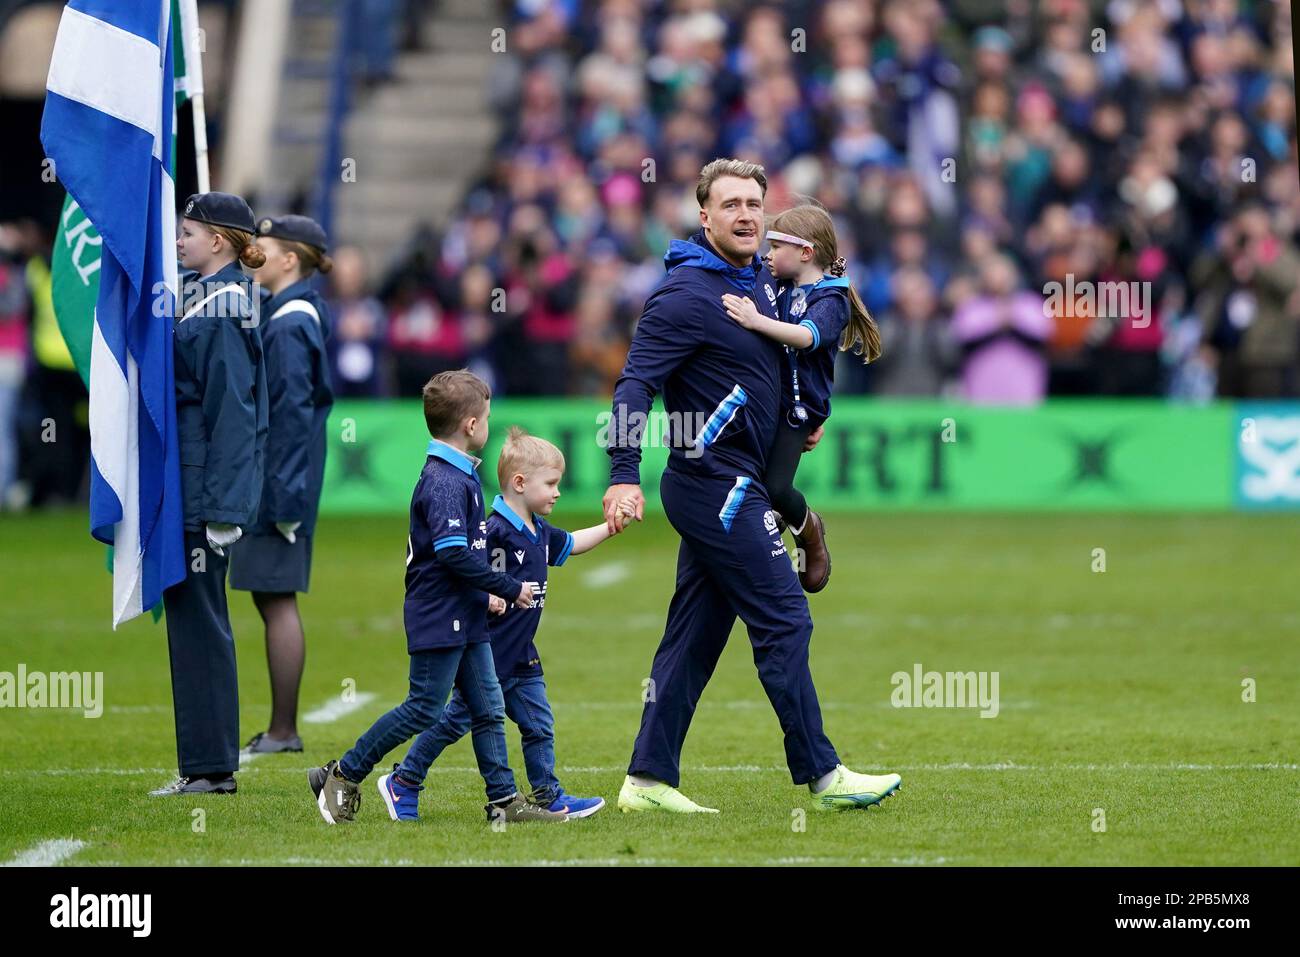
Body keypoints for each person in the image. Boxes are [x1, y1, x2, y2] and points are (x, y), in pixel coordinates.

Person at [603, 158, 902, 814]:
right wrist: (623, 475)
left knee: (693, 637)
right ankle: (823, 775)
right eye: (730, 203)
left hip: (738, 482)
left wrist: (798, 422)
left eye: (753, 204)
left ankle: (646, 780)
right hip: (716, 487)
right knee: (785, 617)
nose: (744, 214)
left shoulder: (758, 283)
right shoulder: (683, 295)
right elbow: (634, 385)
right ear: (703, 215)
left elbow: (783, 360)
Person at [306, 370, 566, 824]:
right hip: (439, 614)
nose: (488, 424)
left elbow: (464, 552)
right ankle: (342, 775)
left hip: (467, 613)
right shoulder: (445, 480)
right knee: (424, 706)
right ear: (470, 425)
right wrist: (504, 587)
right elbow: (450, 554)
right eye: (485, 417)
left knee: (488, 709)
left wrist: (481, 597)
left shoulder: (461, 475)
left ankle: (504, 802)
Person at [379, 427, 630, 821]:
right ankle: (404, 780)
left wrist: (612, 527)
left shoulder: (539, 530)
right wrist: (492, 596)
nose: (557, 492)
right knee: (451, 722)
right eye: (551, 483)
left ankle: (548, 795)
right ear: (519, 483)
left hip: (521, 656)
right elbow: (469, 573)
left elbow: (572, 544)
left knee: (539, 723)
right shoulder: (494, 533)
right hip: (488, 656)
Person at [151, 192, 268, 797]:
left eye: (187, 232)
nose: (177, 240)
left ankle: (212, 766)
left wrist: (225, 508)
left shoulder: (225, 308)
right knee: (190, 620)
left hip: (203, 490)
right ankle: (202, 761)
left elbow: (233, 415)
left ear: (218, 240)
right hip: (188, 483)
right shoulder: (204, 295)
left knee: (201, 623)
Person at [720, 203, 881, 592]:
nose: (768, 255)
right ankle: (764, 545)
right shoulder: (781, 284)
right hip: (766, 404)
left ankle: (808, 527)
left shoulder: (831, 300)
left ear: (805, 253)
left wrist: (756, 321)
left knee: (776, 488)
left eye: (776, 247)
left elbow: (807, 337)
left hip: (797, 412)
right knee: (752, 485)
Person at [230, 215, 335, 754]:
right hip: (281, 478)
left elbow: (292, 415)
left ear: (290, 258)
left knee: (275, 600)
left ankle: (283, 730)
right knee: (271, 597)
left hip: (280, 484)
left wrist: (285, 498)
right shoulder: (294, 312)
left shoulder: (292, 321)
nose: (254, 254)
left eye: (263, 247)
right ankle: (281, 727)